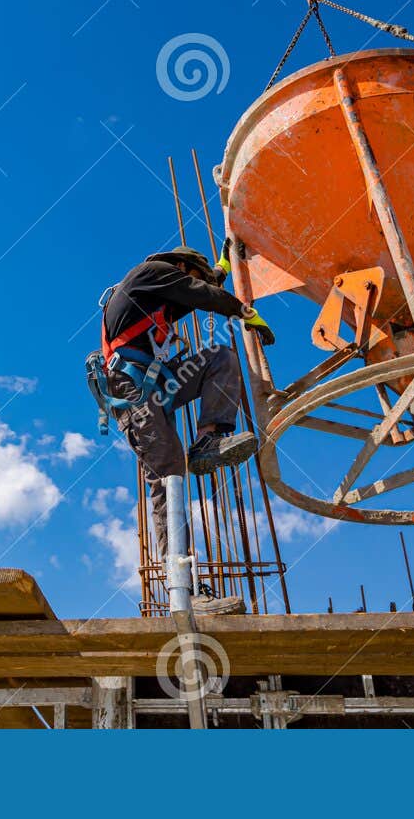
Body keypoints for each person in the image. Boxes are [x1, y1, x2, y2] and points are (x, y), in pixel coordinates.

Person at [88, 244, 274, 613]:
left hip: (158, 384)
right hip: (132, 389)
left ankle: (208, 439)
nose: (197, 281)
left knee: (220, 358)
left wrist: (220, 268)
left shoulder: (161, 291)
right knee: (168, 471)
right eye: (195, 273)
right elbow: (199, 293)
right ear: (180, 266)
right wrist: (243, 311)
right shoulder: (148, 274)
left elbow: (197, 291)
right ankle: (182, 589)